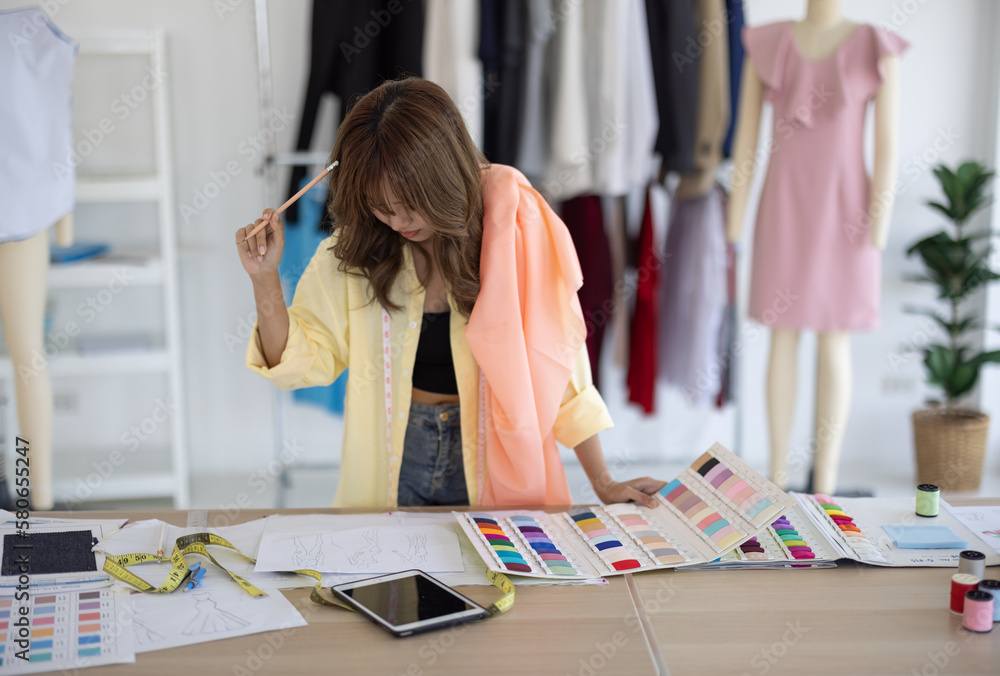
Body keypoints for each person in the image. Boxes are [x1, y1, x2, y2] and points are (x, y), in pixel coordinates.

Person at [237, 77, 665, 508]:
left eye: (409, 201)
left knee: (497, 570)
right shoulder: (354, 250)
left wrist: (605, 482)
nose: (396, 218)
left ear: (441, 176)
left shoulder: (514, 229)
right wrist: (265, 279)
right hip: (392, 462)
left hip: (490, 457)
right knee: (386, 573)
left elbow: (561, 366)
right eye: (379, 204)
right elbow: (298, 364)